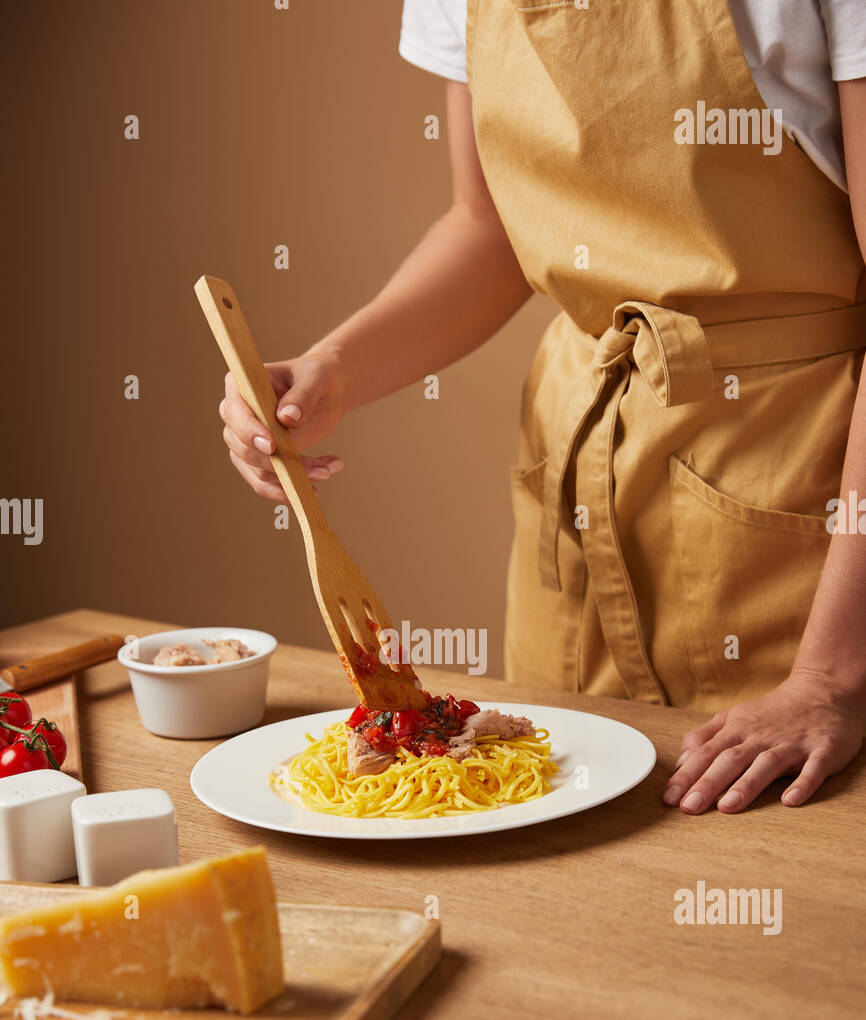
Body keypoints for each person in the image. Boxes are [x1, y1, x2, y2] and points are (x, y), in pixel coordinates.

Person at [219, 0, 866, 815]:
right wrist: (333, 371)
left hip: (809, 534)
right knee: (553, 848)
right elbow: (487, 227)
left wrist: (829, 680)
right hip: (580, 512)